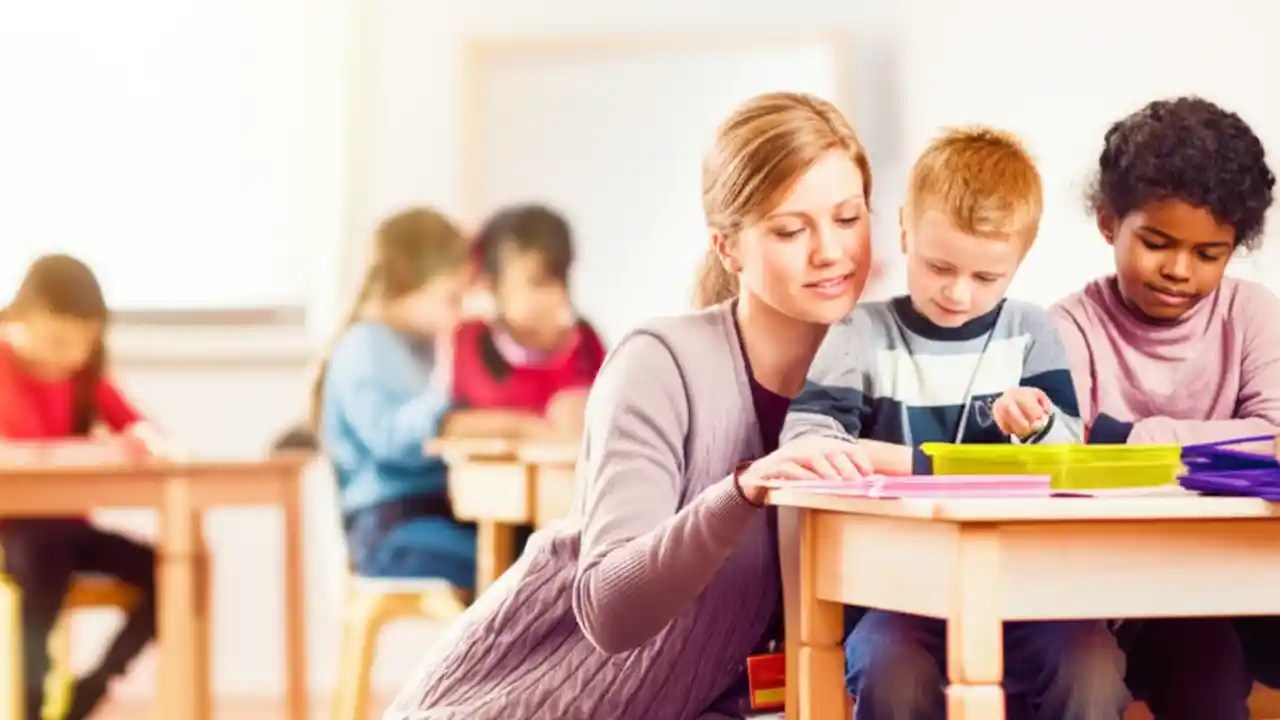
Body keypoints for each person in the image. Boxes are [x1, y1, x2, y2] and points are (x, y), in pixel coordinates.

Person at [384, 91, 875, 719]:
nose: (830, 251)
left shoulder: (882, 368)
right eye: (790, 229)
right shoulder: (661, 363)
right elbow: (610, 612)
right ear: (728, 247)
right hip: (536, 700)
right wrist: (742, 489)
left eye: (848, 217)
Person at [782, 127, 1126, 720]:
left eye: (987, 278)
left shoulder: (1030, 331)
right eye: (939, 265)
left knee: (1091, 666)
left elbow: (1069, 459)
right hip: (895, 592)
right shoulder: (860, 334)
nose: (959, 293)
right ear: (905, 232)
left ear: (1020, 262)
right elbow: (808, 446)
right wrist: (943, 466)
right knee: (890, 669)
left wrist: (1038, 428)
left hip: (1023, 587)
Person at [1051, 96, 1280, 719]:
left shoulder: (1250, 312)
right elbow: (1068, 458)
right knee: (1203, 661)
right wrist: (1225, 446)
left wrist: (1130, 438)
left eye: (1210, 254)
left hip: (1247, 574)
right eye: (1157, 243)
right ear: (1108, 222)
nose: (1180, 270)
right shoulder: (1067, 328)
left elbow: (1276, 437)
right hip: (1124, 594)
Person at [0, 254, 166, 720]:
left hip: (72, 530)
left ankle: (87, 693)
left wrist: (144, 444)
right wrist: (102, 452)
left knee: (171, 573)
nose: (69, 355)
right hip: (16, 532)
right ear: (19, 319)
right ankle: (30, 705)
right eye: (58, 339)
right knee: (43, 563)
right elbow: (13, 454)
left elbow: (144, 434)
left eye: (84, 343)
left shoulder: (83, 378)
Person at [312, 208, 477, 588]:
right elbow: (390, 439)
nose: (458, 314)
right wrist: (446, 396)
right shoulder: (363, 347)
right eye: (450, 299)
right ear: (406, 285)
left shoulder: (421, 345)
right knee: (508, 564)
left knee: (532, 547)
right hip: (387, 531)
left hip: (438, 512)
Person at [446, 205, 606, 441]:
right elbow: (445, 425)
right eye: (536, 283)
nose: (552, 296)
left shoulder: (586, 344)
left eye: (558, 279)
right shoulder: (468, 343)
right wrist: (524, 428)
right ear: (492, 283)